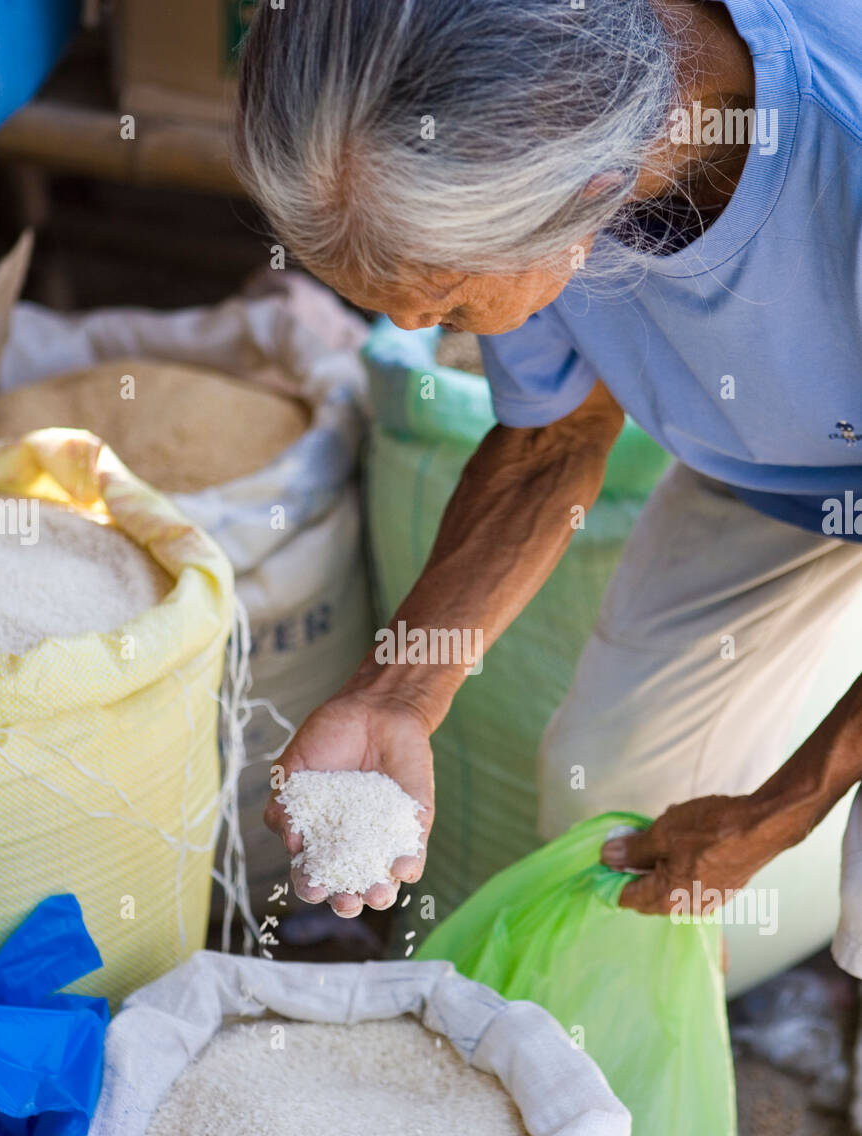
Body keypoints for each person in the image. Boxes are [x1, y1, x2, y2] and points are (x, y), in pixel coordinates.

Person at [235, 0, 862, 977]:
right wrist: (398, 691)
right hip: (786, 461)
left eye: (444, 297)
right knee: (613, 793)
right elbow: (556, 433)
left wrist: (779, 808)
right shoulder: (539, 112)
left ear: (595, 186)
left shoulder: (840, 152)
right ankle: (632, 1085)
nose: (417, 319)